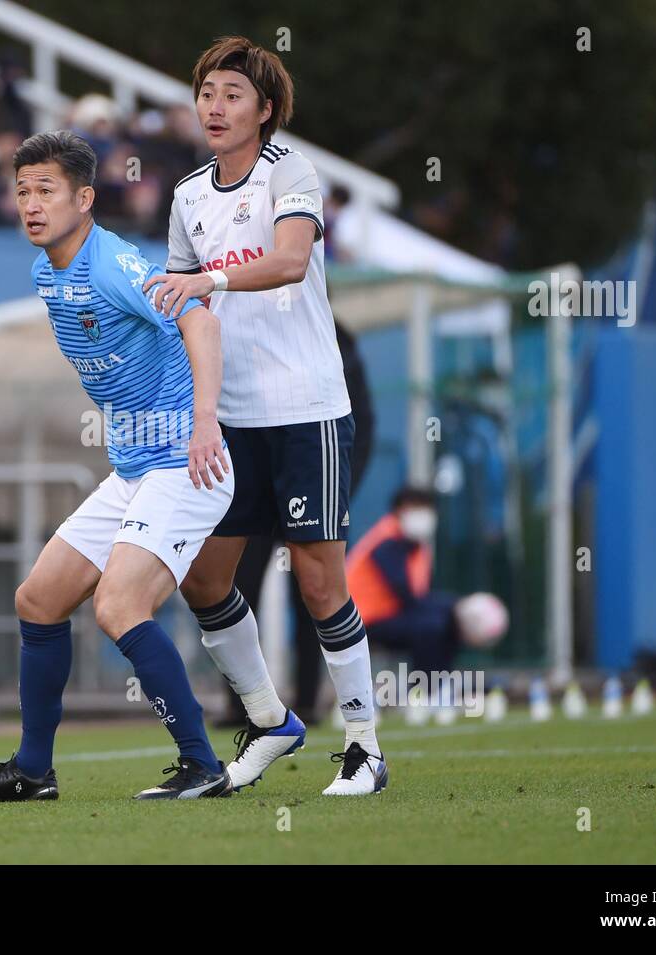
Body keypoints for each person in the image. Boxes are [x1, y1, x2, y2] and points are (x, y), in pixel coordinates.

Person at [0, 130, 234, 802]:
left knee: (118, 605)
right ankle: (33, 770)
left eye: (46, 190)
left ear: (85, 198)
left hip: (184, 463)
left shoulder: (114, 265)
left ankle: (203, 764)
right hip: (136, 467)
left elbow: (202, 323)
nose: (30, 204)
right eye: (21, 191)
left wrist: (203, 421)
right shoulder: (47, 271)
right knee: (38, 600)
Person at [145, 36, 384, 797]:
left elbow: (286, 260)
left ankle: (365, 747)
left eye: (232, 95)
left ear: (266, 110)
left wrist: (202, 277)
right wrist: (194, 406)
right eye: (207, 92)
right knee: (204, 579)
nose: (214, 107)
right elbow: (188, 310)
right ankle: (269, 719)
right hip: (231, 419)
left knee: (320, 582)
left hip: (306, 407)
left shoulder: (294, 172)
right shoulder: (186, 195)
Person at [222, 325, 375, 728]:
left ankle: (320, 707)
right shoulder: (232, 326)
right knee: (226, 589)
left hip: (306, 479)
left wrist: (337, 490)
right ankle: (248, 706)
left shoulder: (333, 337)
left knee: (316, 592)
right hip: (253, 484)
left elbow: (362, 422)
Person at [345, 487, 465, 673]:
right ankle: (423, 691)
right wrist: (453, 605)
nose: (422, 514)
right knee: (431, 627)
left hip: (391, 614)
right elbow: (404, 594)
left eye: (426, 508)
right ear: (398, 510)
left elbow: (417, 596)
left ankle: (441, 687)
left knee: (450, 622)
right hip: (365, 622)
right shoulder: (388, 541)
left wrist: (455, 608)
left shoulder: (416, 545)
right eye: (415, 507)